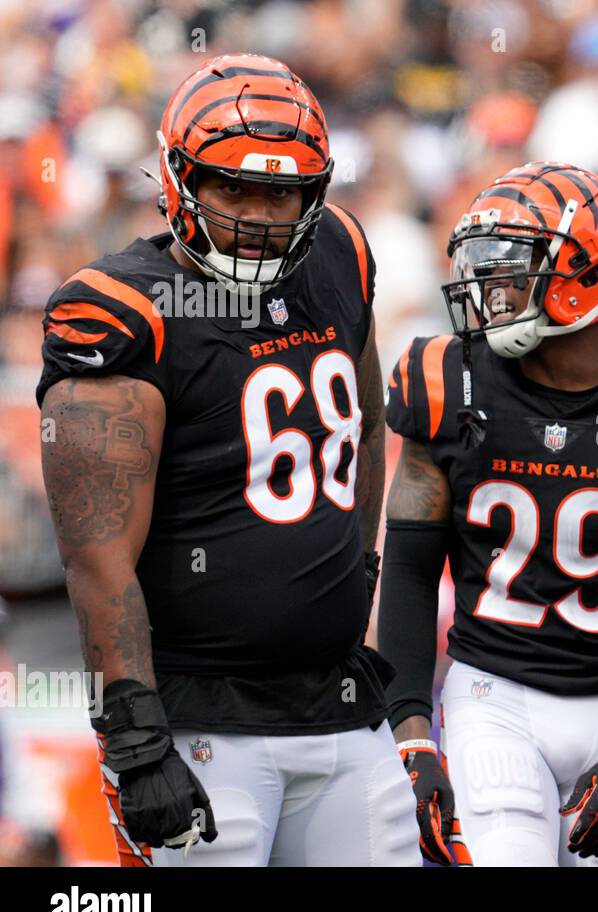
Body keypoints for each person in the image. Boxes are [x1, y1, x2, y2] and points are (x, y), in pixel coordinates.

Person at [37, 54, 417, 866]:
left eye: (279, 193)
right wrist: (136, 736)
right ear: (179, 181)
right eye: (231, 189)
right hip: (203, 728)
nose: (257, 216)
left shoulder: (342, 252)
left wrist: (359, 574)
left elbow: (369, 422)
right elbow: (96, 556)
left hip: (339, 705)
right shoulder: (122, 309)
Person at [380, 161, 598, 867]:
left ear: (588, 272)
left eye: (513, 267)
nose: (490, 288)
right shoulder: (441, 379)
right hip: (496, 695)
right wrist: (413, 734)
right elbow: (411, 572)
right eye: (483, 265)